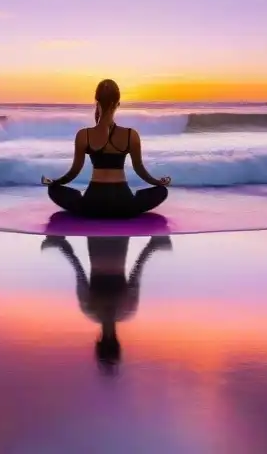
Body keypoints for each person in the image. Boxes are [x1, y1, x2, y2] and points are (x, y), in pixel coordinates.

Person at [41, 233, 173, 373]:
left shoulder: (98, 309)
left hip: (102, 236)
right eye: (112, 344)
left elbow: (77, 267)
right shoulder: (117, 309)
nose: (109, 339)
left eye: (107, 344)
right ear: (116, 344)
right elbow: (138, 268)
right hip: (111, 236)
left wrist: (59, 242)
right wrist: (154, 244)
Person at [41, 79, 172, 218]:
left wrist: (55, 183)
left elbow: (73, 172)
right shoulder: (130, 135)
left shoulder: (84, 135)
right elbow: (140, 170)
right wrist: (157, 182)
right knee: (161, 191)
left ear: (97, 102)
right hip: (123, 204)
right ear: (118, 104)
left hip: (93, 204)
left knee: (54, 190)